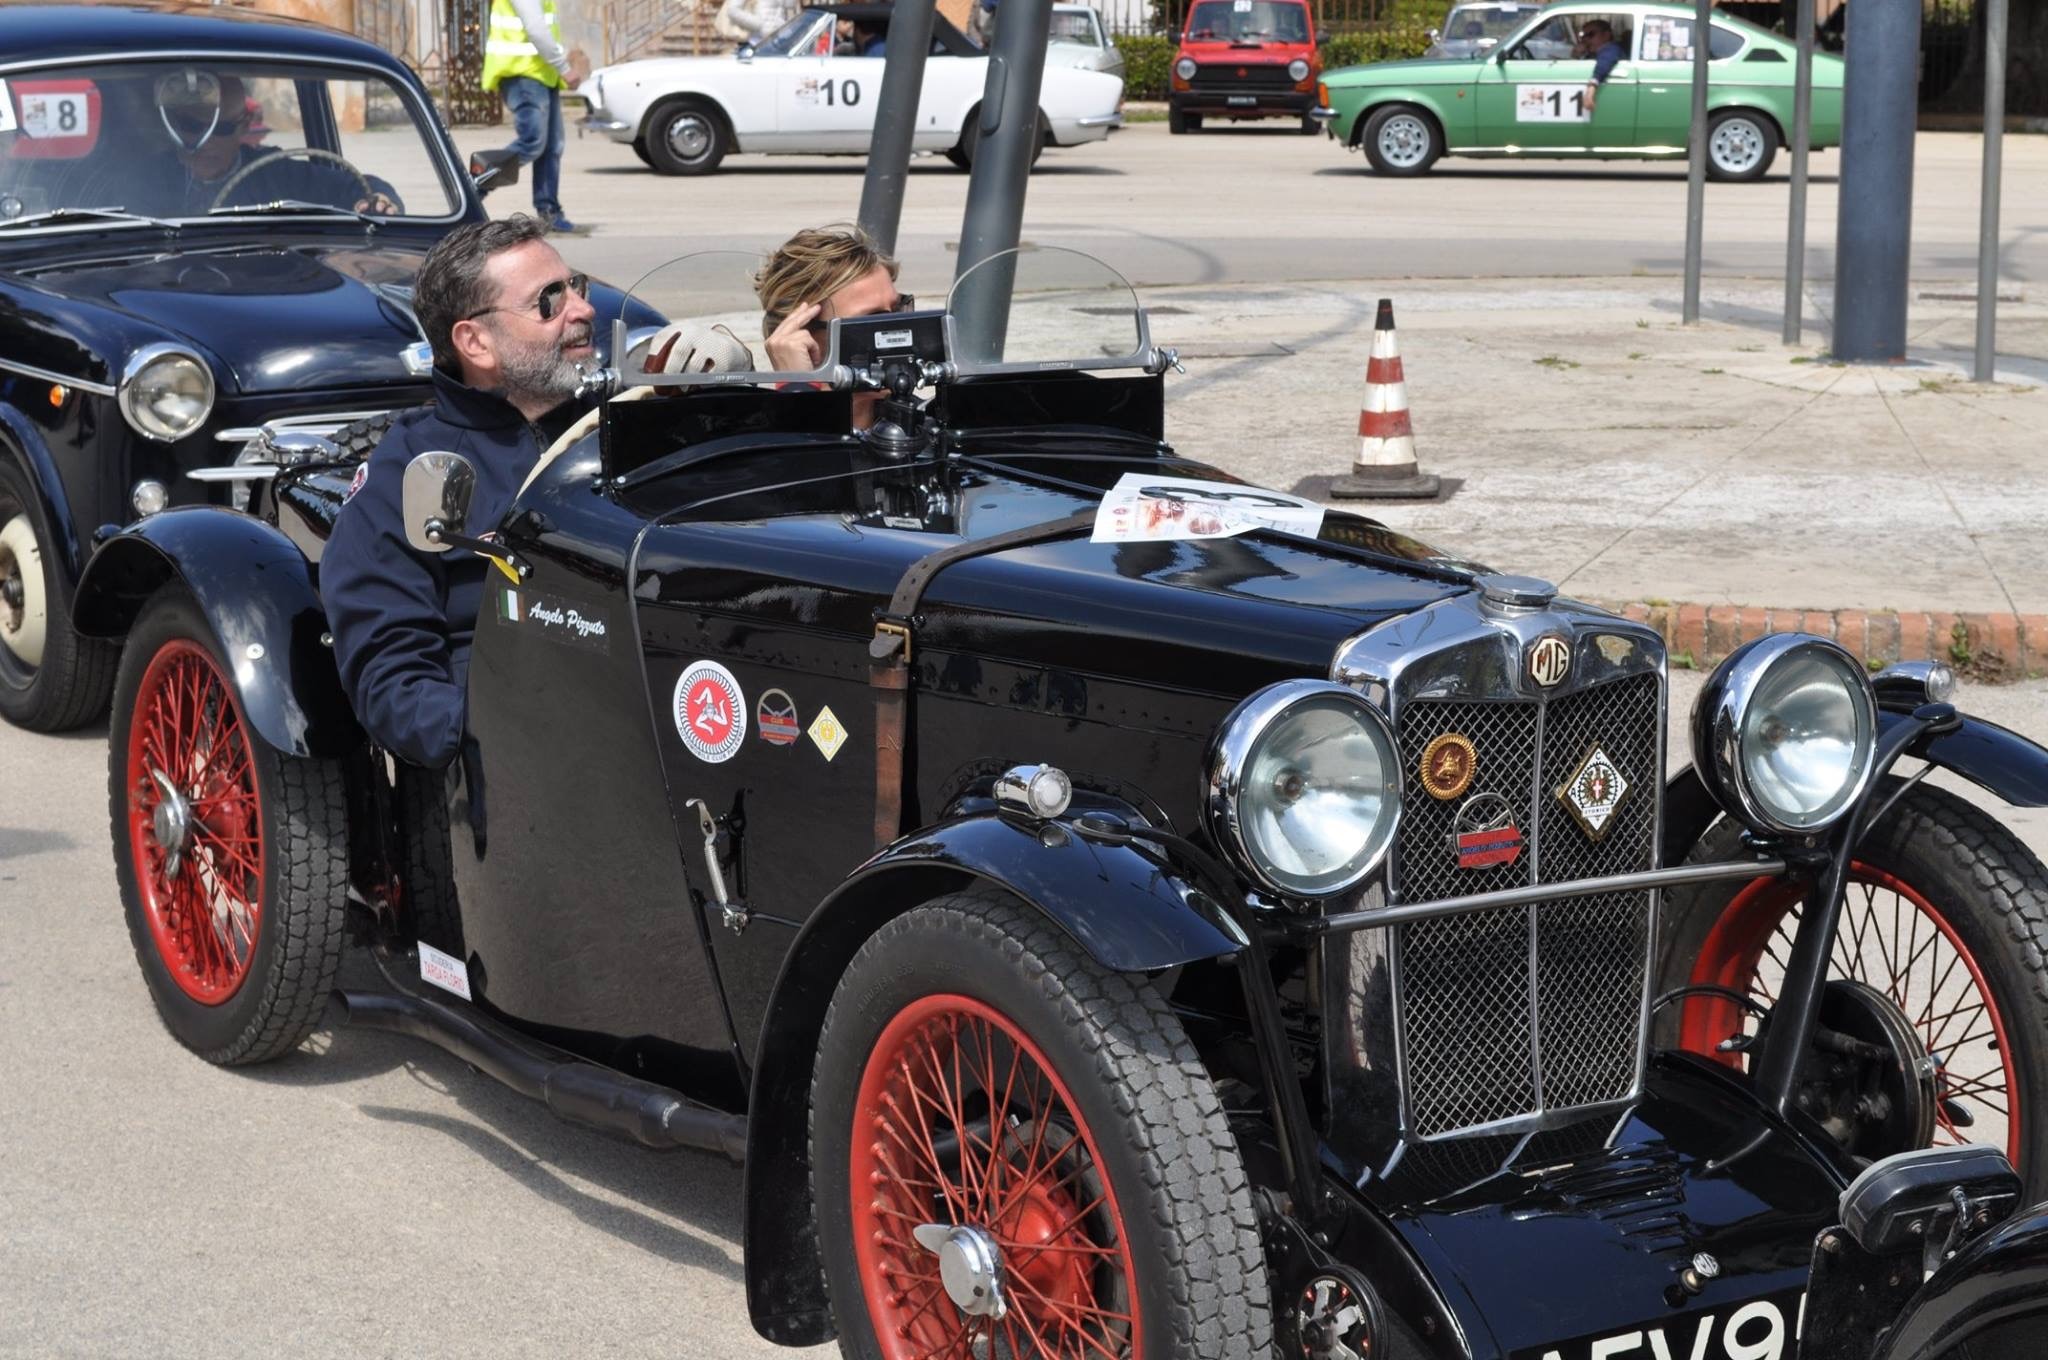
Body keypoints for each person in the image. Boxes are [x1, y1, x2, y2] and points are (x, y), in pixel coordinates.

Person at [322, 215, 598, 768]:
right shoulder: (408, 471)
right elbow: (392, 679)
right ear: (475, 342)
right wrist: (495, 733)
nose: (583, 310)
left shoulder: (622, 423)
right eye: (548, 300)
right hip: (520, 764)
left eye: (577, 287)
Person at [145, 69, 398, 218]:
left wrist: (379, 200)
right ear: (173, 123)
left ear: (244, 126)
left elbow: (360, 187)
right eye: (193, 126)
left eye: (222, 128)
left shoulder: (275, 174)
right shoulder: (145, 175)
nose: (206, 141)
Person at [753, 224, 908, 430]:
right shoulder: (760, 440)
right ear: (804, 336)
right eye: (872, 319)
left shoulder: (924, 426)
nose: (896, 328)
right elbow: (805, 459)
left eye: (898, 309)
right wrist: (798, 387)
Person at [480, 0, 590, 235]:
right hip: (523, 75)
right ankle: (474, 185)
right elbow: (537, 30)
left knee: (551, 147)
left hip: (540, 75)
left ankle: (549, 212)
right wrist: (564, 68)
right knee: (532, 142)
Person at [1573, 18, 1625, 113]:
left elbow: (1604, 63)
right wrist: (1577, 54)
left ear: (1606, 35)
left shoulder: (1611, 49)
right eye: (1584, 36)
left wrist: (1591, 88)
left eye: (1591, 34)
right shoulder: (1594, 52)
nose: (1586, 39)